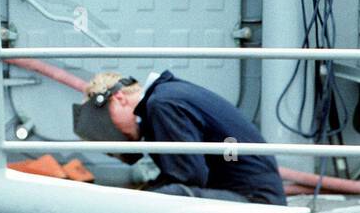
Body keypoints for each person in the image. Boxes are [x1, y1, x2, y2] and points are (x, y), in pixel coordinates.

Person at [73, 71, 286, 205]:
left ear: (119, 99)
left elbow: (188, 177)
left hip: (256, 202)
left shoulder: (162, 105)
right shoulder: (166, 96)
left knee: (167, 198)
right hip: (245, 195)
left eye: (109, 124)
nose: (118, 136)